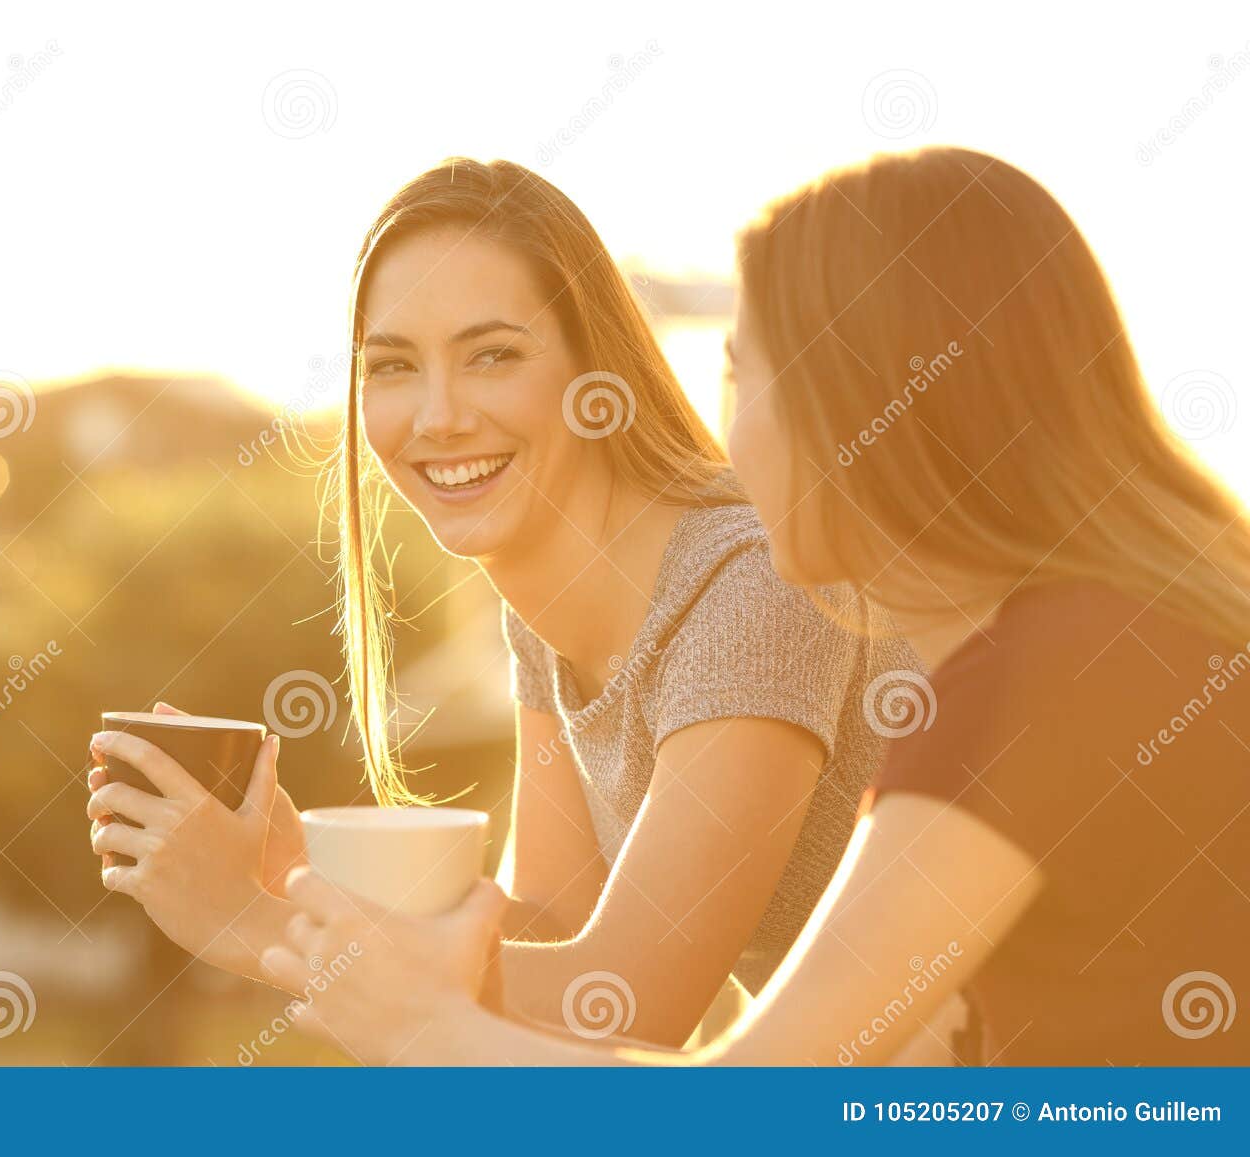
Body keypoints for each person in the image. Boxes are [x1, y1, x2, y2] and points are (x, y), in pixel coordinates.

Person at [258, 147, 1250, 1065]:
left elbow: (757, 1100)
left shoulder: (1041, 677)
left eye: (743, 372)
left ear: (871, 406)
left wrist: (420, 1020)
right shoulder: (1090, 644)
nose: (725, 436)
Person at [86, 157, 915, 1048]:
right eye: (394, 365)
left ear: (594, 370)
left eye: (493, 355)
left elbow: (629, 1000)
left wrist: (254, 924)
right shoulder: (542, 611)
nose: (438, 416)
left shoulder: (753, 586)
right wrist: (296, 878)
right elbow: (555, 932)